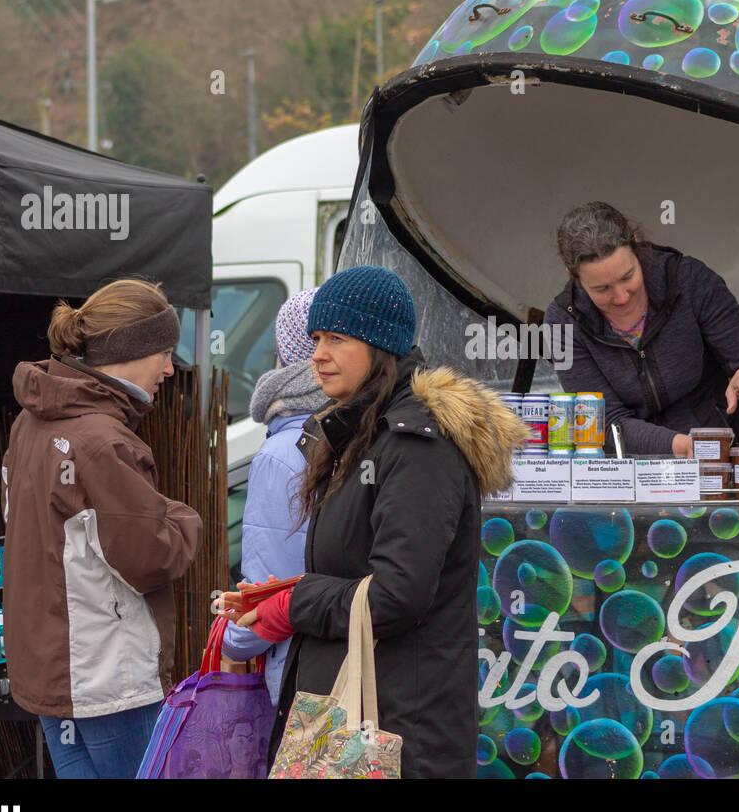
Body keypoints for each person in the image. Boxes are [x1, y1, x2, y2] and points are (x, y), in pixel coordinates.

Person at [225, 265, 527, 778]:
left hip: (400, 733)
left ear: (379, 345)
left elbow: (396, 595)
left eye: (336, 338)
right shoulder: (357, 433)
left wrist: (295, 604)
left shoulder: (417, 448)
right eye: (316, 337)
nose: (317, 354)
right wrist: (283, 594)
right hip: (356, 724)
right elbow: (357, 567)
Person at [1, 278, 202, 778]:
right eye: (165, 352)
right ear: (132, 351)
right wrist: (183, 517)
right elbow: (152, 555)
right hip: (107, 679)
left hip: (49, 668)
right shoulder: (101, 441)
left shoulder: (31, 423)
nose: (169, 369)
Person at [543, 201, 739, 456]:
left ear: (636, 246)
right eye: (602, 289)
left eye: (628, 276)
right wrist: (682, 445)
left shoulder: (689, 280)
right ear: (573, 276)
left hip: (722, 456)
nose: (622, 297)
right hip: (632, 471)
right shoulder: (562, 321)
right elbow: (603, 421)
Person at [217, 289, 327, 706]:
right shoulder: (359, 427)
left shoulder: (283, 452)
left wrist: (233, 643)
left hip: (300, 672)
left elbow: (268, 591)